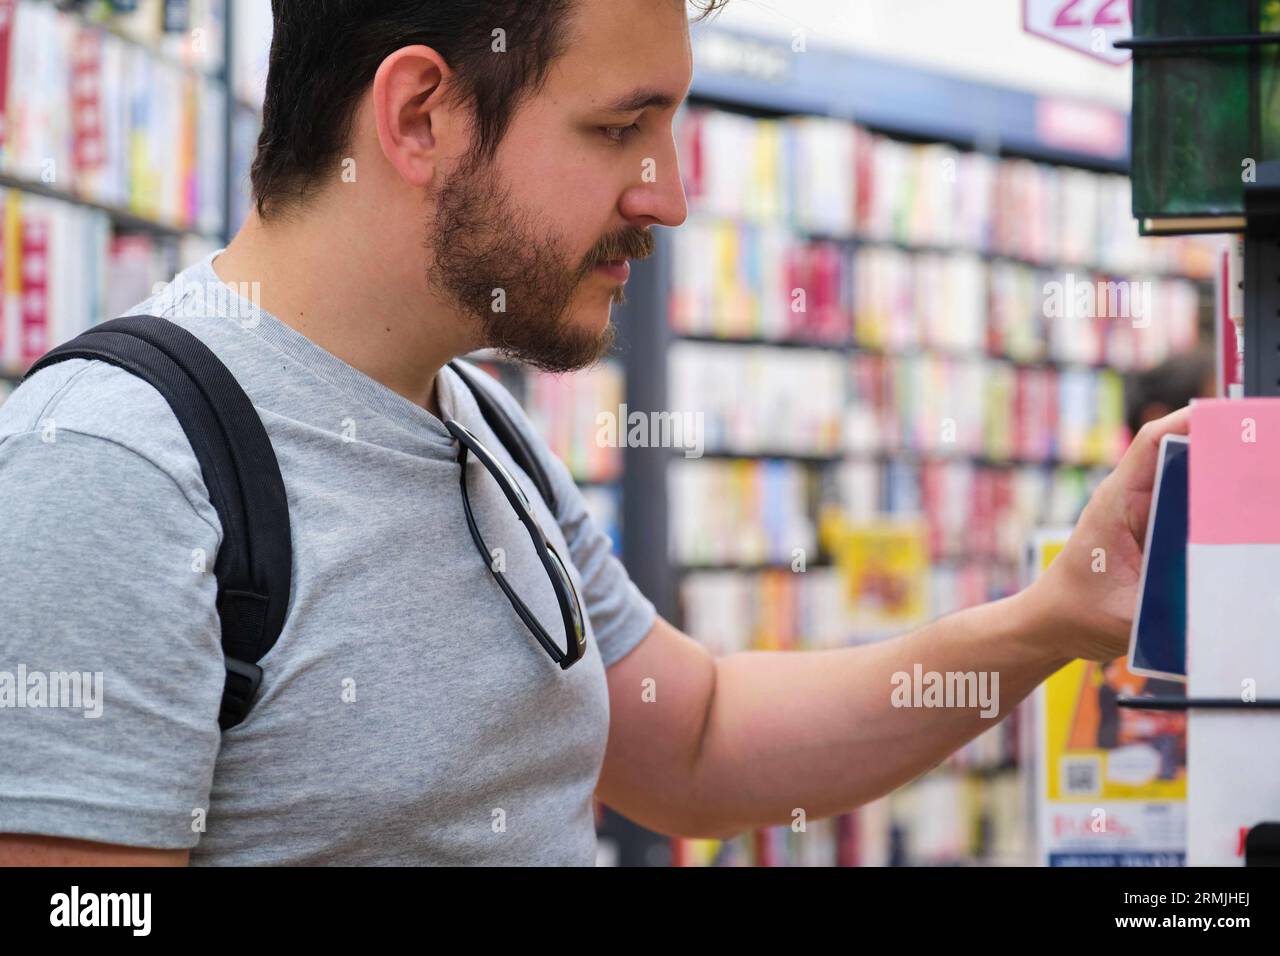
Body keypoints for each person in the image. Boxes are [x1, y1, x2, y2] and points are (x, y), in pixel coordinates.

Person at [0, 0, 1190, 866]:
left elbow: (701, 743)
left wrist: (1048, 618)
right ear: (421, 116)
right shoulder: (121, 466)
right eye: (622, 127)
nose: (667, 195)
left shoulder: (485, 431)